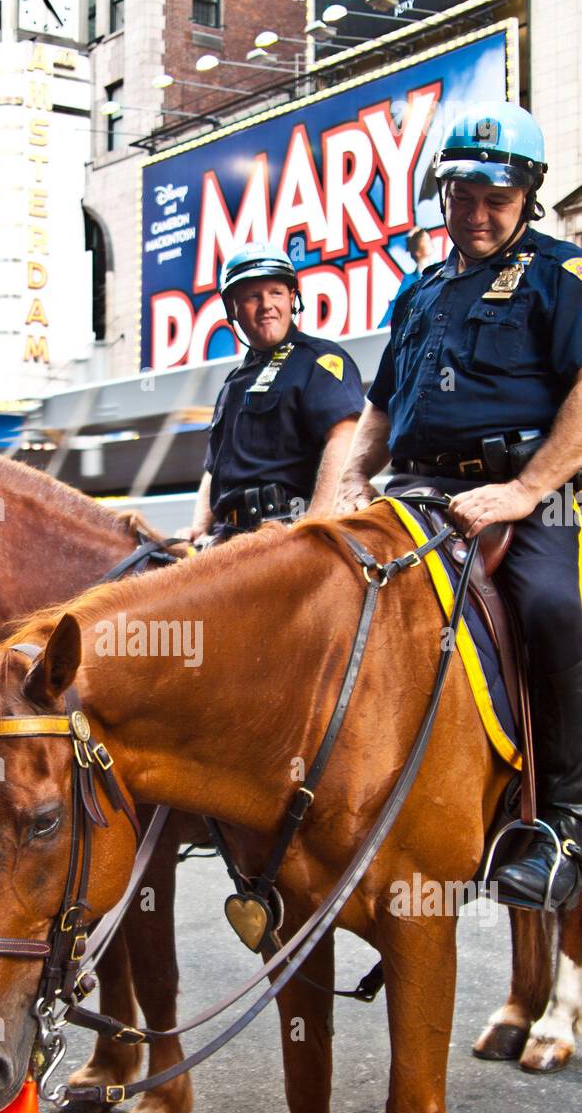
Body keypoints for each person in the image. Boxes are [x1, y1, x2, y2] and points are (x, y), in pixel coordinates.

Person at [334, 101, 582, 909]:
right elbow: (380, 404)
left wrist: (524, 490)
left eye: (495, 200)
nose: (475, 215)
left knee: (552, 608)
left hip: (525, 501)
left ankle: (560, 828)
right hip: (415, 491)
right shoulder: (417, 291)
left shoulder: (560, 276)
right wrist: (348, 481)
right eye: (462, 195)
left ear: (528, 198)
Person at [187, 242, 364, 540]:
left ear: (292, 298)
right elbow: (213, 469)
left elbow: (344, 437)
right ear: (233, 307)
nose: (266, 304)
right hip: (226, 536)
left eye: (276, 293)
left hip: (286, 533)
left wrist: (315, 524)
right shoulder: (233, 383)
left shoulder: (320, 360)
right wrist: (197, 528)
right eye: (253, 296)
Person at [379, 226, 435, 327]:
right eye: (425, 240)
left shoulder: (441, 271)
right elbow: (395, 305)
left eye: (429, 239)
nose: (430, 243)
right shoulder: (409, 280)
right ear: (417, 251)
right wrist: (380, 328)